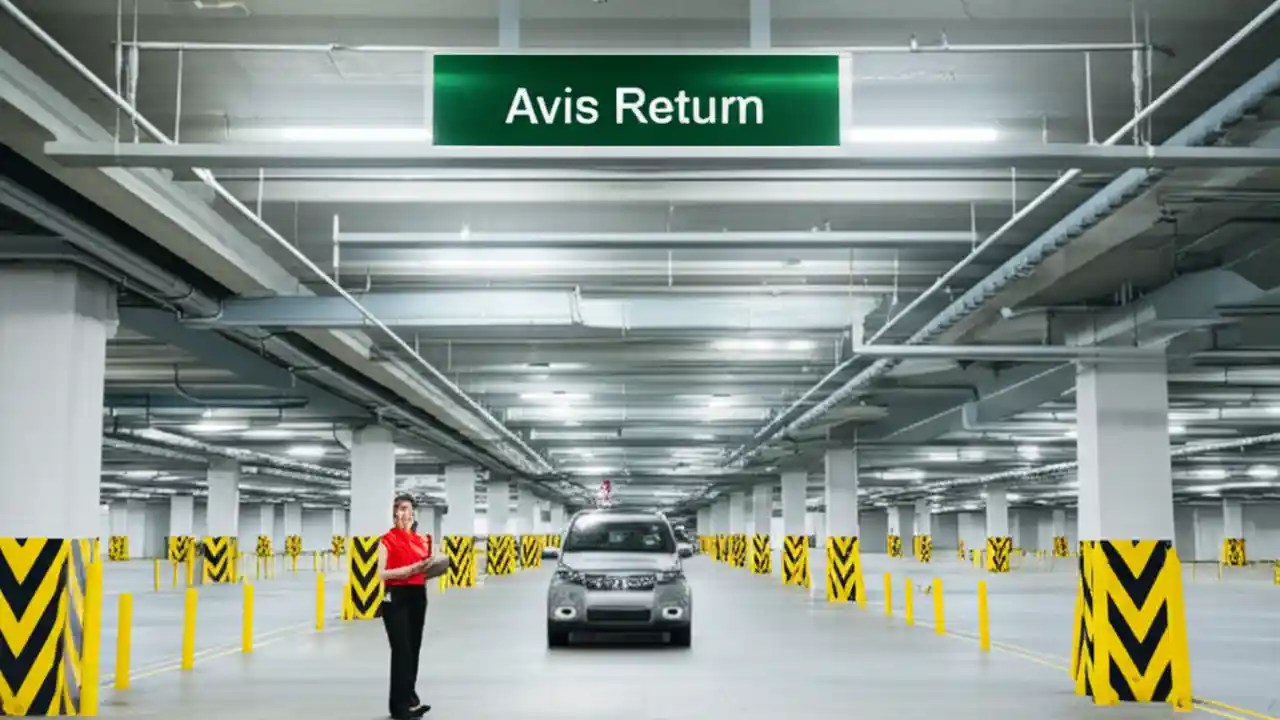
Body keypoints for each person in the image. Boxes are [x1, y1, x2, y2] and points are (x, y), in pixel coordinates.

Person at [378, 494, 434, 719]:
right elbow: (381, 573)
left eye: (405, 509)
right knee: (401, 650)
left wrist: (433, 566)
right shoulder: (386, 541)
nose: (401, 513)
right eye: (398, 509)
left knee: (413, 650)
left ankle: (409, 698)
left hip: (418, 596)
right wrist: (409, 571)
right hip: (395, 596)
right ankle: (400, 707)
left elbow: (425, 569)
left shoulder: (423, 540)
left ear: (413, 512)